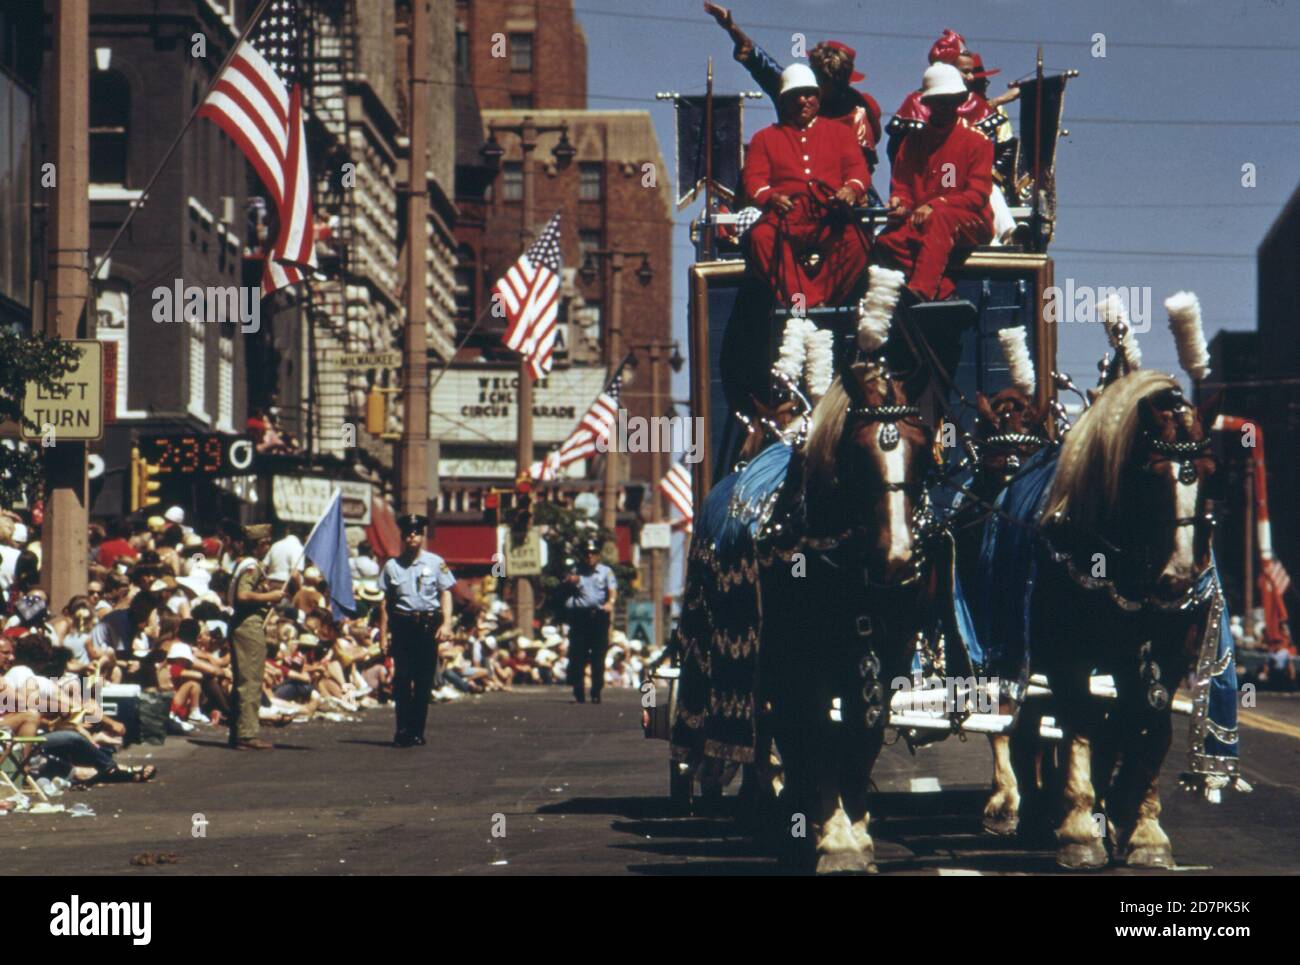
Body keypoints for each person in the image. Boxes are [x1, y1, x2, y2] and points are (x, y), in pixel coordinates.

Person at [742, 63, 872, 308]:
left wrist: (851, 189)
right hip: (786, 217)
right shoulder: (764, 138)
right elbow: (753, 180)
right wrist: (770, 197)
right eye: (795, 96)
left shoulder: (841, 133)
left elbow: (858, 170)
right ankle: (807, 302)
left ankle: (814, 302)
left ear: (818, 98)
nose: (803, 101)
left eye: (809, 94)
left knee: (858, 241)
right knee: (761, 237)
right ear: (783, 101)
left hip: (830, 216)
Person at [704, 3, 883, 175]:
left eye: (829, 82)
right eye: (818, 78)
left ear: (843, 82)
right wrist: (731, 28)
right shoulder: (793, 90)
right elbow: (758, 60)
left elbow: (863, 164)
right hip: (790, 179)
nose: (817, 91)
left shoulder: (857, 110)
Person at [873, 63, 994, 303]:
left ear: (959, 100)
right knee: (885, 241)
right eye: (939, 100)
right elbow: (903, 188)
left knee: (941, 218)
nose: (945, 106)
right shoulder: (911, 142)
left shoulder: (977, 141)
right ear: (927, 104)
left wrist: (938, 203)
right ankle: (945, 290)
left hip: (969, 220)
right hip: (923, 222)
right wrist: (900, 203)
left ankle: (921, 291)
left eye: (950, 100)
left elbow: (977, 195)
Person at [377, 514, 455, 747]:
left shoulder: (435, 562)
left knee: (423, 681)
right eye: (408, 533)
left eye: (417, 532)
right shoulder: (392, 566)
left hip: (428, 626)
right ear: (402, 536)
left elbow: (446, 592)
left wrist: (447, 623)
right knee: (402, 679)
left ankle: (417, 730)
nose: (412, 536)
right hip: (403, 625)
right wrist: (383, 634)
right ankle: (402, 729)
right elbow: (385, 603)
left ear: (422, 536)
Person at [225, 523, 299, 750]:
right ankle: (246, 735)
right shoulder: (251, 567)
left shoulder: (246, 564)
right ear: (258, 545)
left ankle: (239, 731)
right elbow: (243, 595)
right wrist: (271, 596)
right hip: (249, 625)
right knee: (250, 680)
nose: (268, 547)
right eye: (265, 543)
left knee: (244, 679)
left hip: (246, 624)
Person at [560, 539, 618, 704]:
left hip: (598, 616)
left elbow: (613, 591)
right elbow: (564, 586)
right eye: (587, 553)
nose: (590, 556)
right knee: (578, 654)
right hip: (580, 617)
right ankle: (578, 690)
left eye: (593, 553)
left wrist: (610, 603)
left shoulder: (606, 572)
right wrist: (570, 581)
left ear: (598, 555)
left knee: (599, 655)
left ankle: (596, 689)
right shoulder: (576, 570)